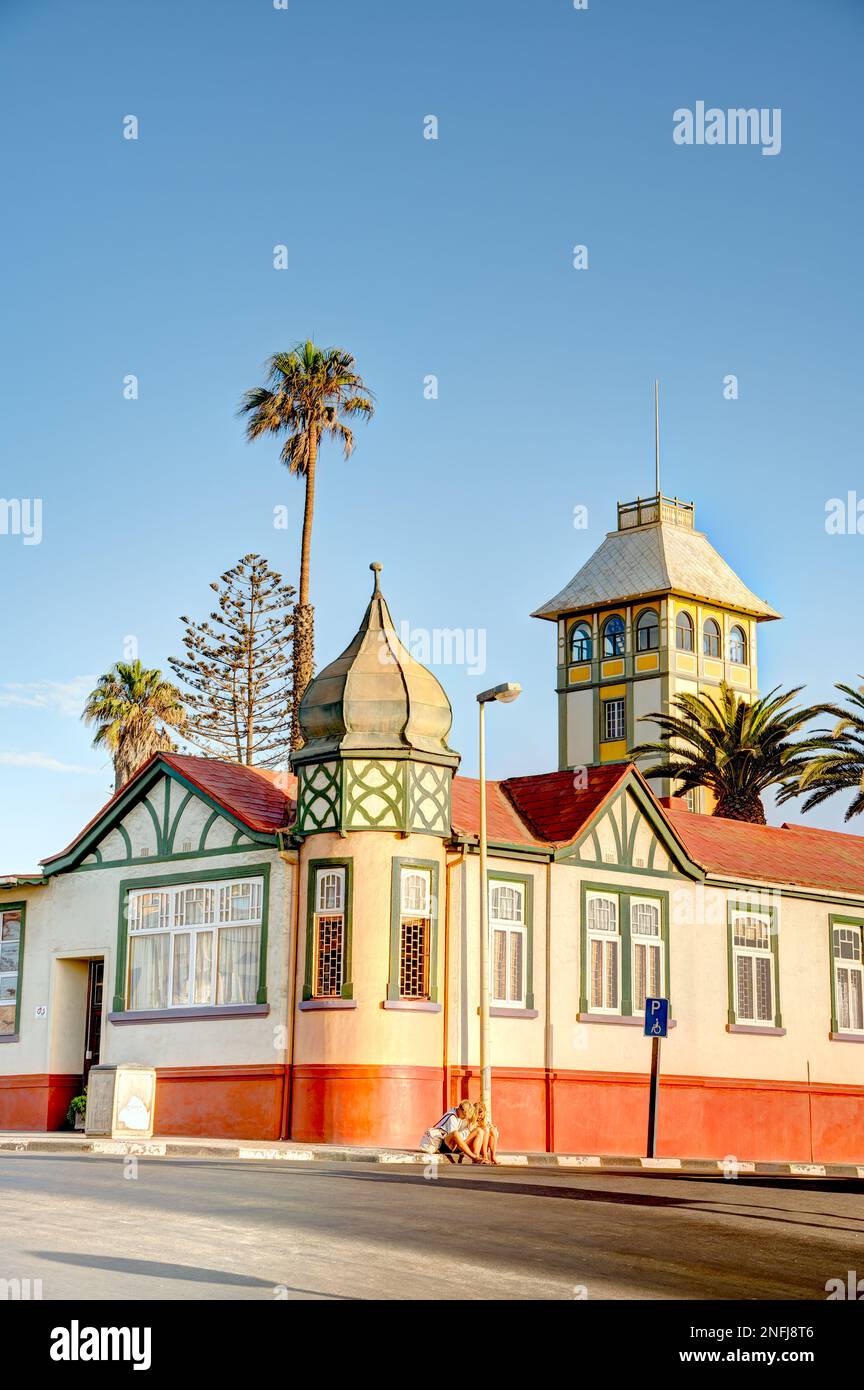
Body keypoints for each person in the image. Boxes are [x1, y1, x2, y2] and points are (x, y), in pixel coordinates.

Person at [467, 1100, 501, 1165]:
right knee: (485, 1129)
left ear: (484, 1113)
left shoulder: (485, 1120)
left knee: (493, 1130)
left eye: (481, 1115)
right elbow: (471, 1130)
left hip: (483, 1145)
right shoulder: (471, 1120)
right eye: (478, 1115)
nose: (479, 1117)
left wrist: (492, 1128)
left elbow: (495, 1134)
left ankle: (493, 1156)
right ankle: (484, 1156)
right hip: (473, 1145)